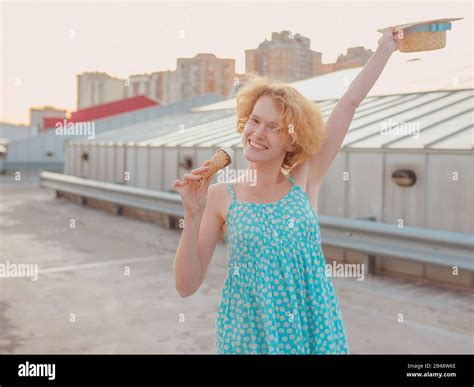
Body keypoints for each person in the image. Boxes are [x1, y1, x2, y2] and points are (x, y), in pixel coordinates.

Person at [173, 30, 400, 354]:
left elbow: (349, 103)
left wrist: (386, 47)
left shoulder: (304, 179)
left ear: (292, 140)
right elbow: (186, 285)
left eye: (273, 127)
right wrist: (192, 216)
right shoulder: (222, 196)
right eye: (255, 120)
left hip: (314, 331)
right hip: (250, 339)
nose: (257, 133)